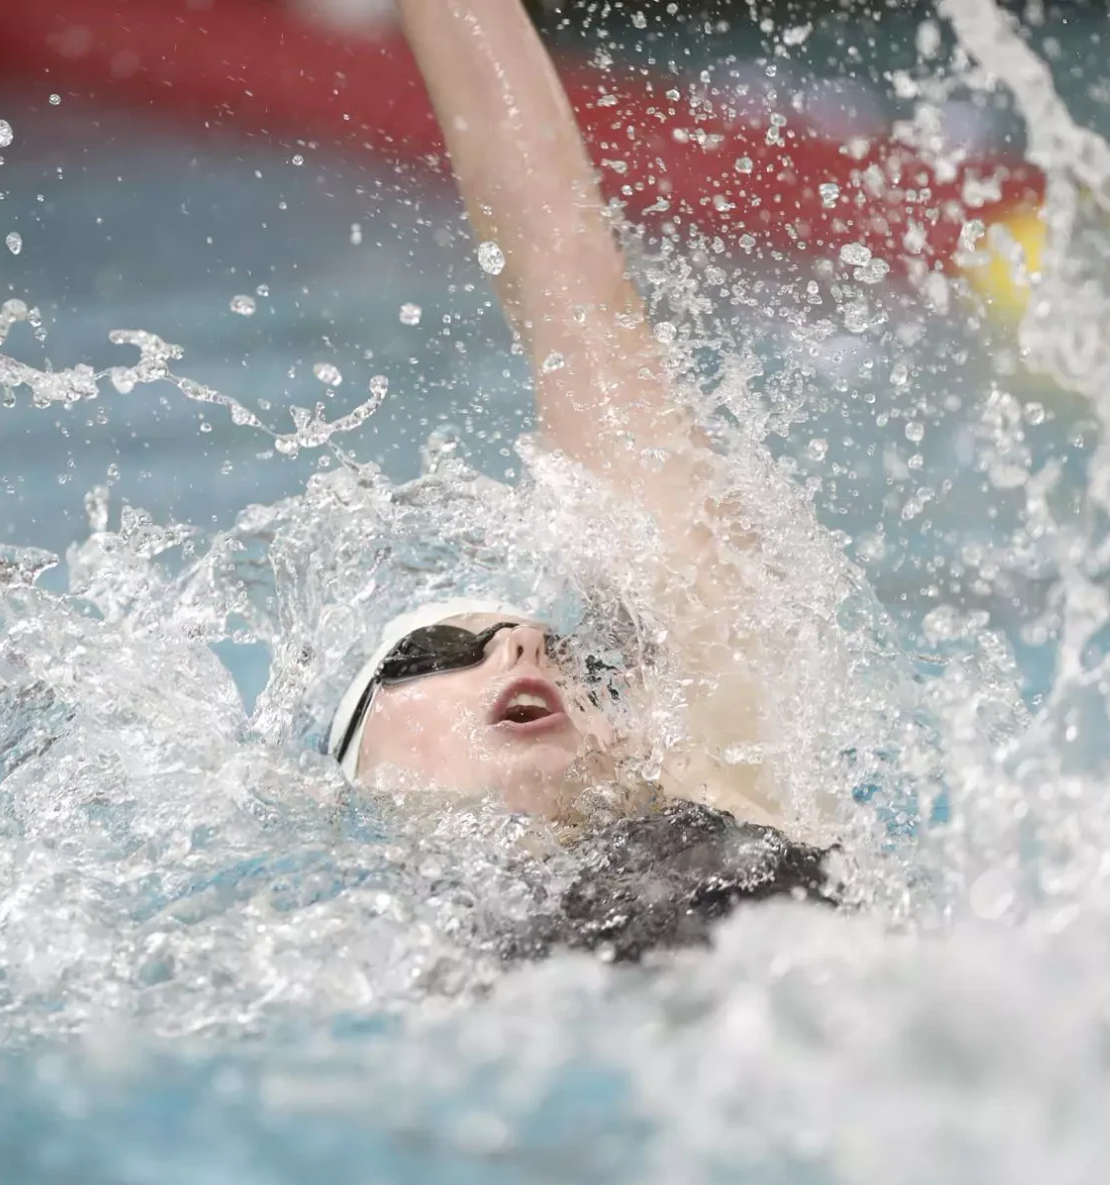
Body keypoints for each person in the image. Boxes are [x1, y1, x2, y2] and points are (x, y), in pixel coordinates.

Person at [328, 0, 836, 959]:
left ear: (636, 738)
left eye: (579, 662)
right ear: (359, 777)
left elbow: (562, 270)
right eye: (437, 650)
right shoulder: (323, 969)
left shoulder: (725, 778)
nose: (525, 641)